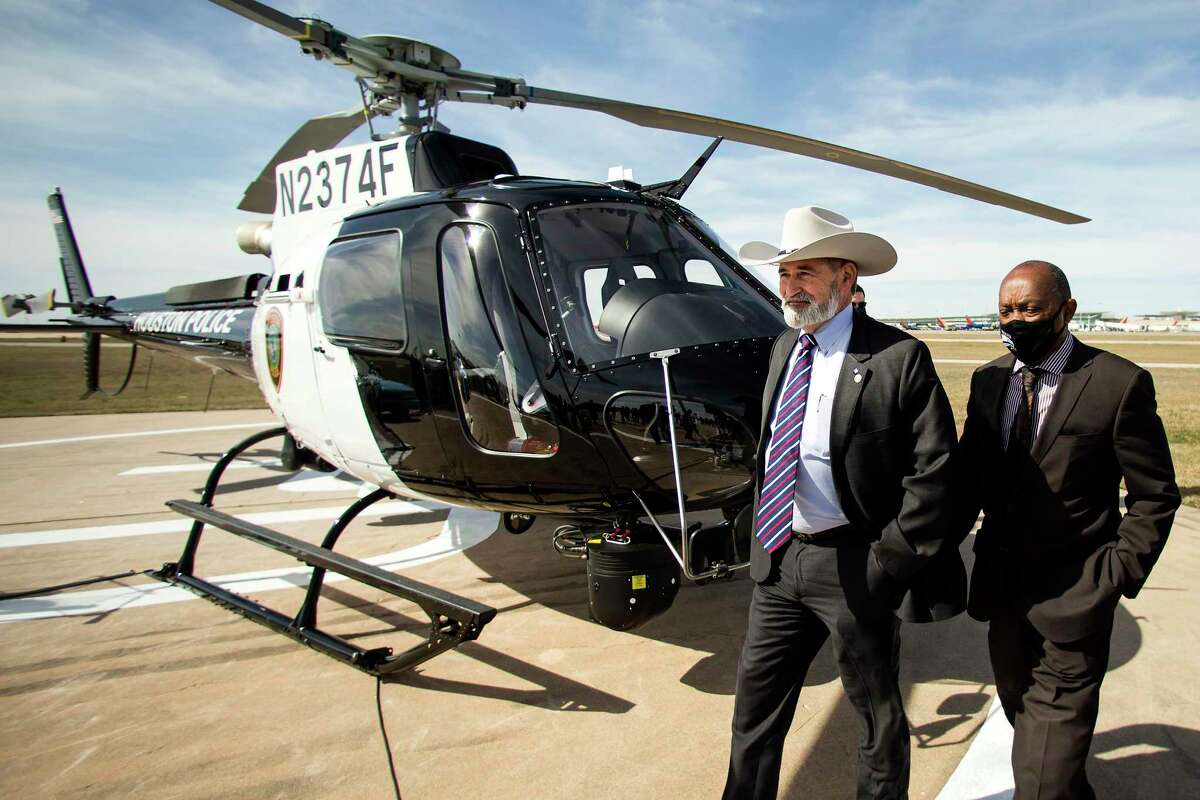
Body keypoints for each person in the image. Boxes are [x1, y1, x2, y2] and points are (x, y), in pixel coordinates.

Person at [726, 206, 965, 799]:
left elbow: (935, 473)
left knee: (876, 719)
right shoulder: (785, 347)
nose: (790, 286)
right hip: (781, 562)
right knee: (753, 716)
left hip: (856, 564)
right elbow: (771, 450)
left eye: (805, 272)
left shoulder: (897, 358)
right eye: (784, 274)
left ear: (846, 277)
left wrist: (886, 562)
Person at [956, 260, 1180, 800]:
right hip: (1004, 599)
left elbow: (1155, 495)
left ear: (1066, 310)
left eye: (1029, 309)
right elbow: (967, 482)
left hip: (1078, 598)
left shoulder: (1117, 383)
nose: (1015, 321)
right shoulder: (988, 383)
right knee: (1025, 722)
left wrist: (1117, 572)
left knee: (1041, 774)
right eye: (1006, 311)